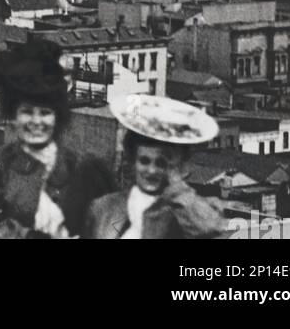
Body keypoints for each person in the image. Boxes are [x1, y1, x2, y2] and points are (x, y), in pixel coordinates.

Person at [0, 36, 114, 239]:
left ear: (57, 116)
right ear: (14, 116)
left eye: (45, 113)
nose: (36, 121)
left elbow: (112, 220)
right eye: (27, 112)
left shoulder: (85, 168)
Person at [85, 96, 229, 240]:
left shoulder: (185, 212)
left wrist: (177, 186)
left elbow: (210, 229)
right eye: (144, 161)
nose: (152, 170)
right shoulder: (104, 207)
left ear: (173, 167)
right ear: (133, 162)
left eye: (161, 163)